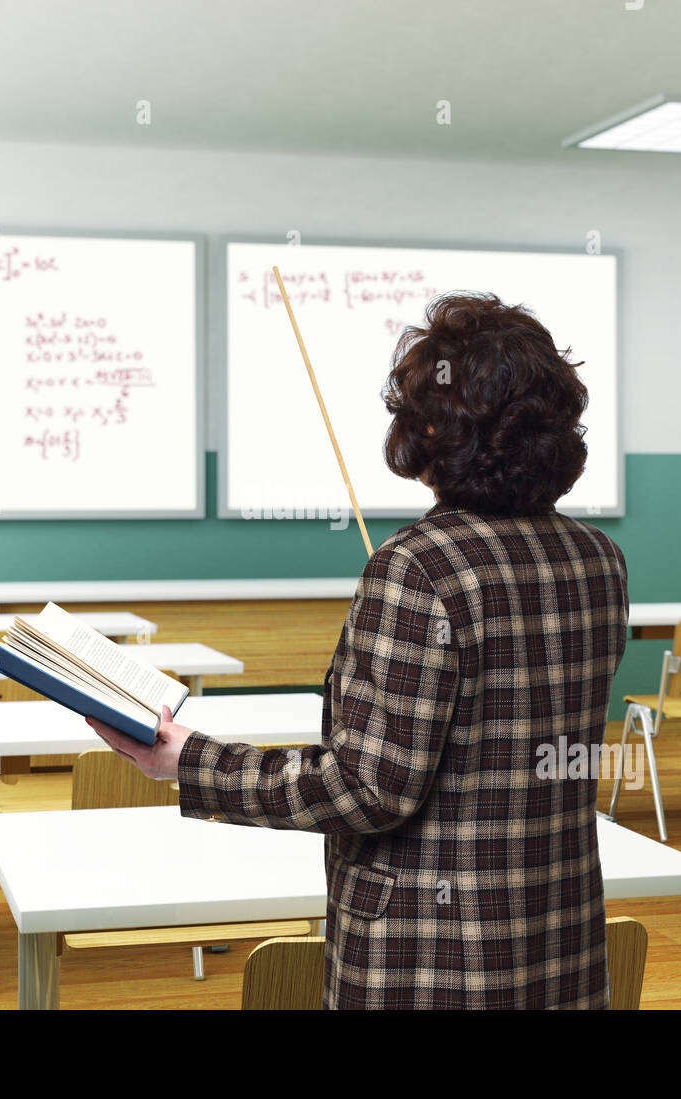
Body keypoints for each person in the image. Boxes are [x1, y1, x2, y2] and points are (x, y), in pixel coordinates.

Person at [87, 291, 629, 1008]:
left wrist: (188, 758)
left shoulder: (417, 568)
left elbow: (369, 788)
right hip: (560, 948)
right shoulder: (598, 558)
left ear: (437, 426)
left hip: (433, 965)